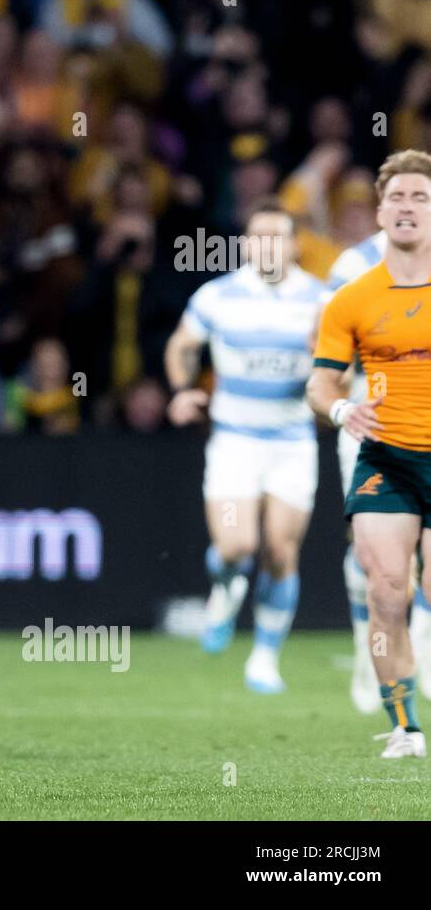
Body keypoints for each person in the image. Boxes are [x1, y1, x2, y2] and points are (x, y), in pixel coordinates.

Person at [165, 200, 327, 693]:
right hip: (235, 440)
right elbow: (181, 345)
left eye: (277, 236)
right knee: (237, 545)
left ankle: (264, 658)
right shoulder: (219, 295)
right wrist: (183, 390)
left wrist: (328, 376)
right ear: (246, 244)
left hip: (292, 442)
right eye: (257, 237)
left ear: (295, 244)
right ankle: (224, 588)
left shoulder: (322, 300)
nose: (267, 246)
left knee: (280, 551)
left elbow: (341, 364)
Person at [308, 149, 431, 759]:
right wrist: (337, 409)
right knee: (386, 590)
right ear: (380, 212)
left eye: (420, 197)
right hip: (385, 455)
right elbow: (320, 379)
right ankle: (405, 728)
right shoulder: (351, 297)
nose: (407, 207)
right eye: (397, 198)